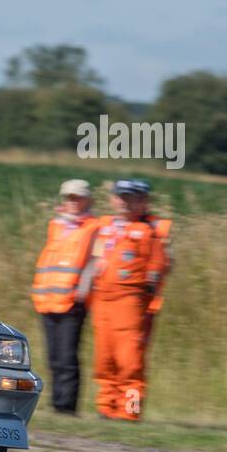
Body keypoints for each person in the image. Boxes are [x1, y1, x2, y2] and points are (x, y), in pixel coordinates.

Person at [83, 179, 170, 421]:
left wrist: (147, 302)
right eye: (121, 197)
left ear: (143, 201)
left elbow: (159, 267)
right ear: (113, 199)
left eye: (131, 197)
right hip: (102, 298)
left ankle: (128, 411)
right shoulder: (106, 226)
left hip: (130, 299)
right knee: (104, 357)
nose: (125, 202)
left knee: (129, 359)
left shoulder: (149, 231)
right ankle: (106, 408)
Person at [31, 179, 102, 414]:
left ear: (88, 200)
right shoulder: (56, 225)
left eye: (77, 198)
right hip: (48, 299)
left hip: (73, 301)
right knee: (53, 358)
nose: (72, 202)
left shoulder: (94, 226)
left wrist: (86, 285)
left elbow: (96, 259)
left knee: (67, 358)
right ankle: (56, 404)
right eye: (69, 198)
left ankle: (66, 407)